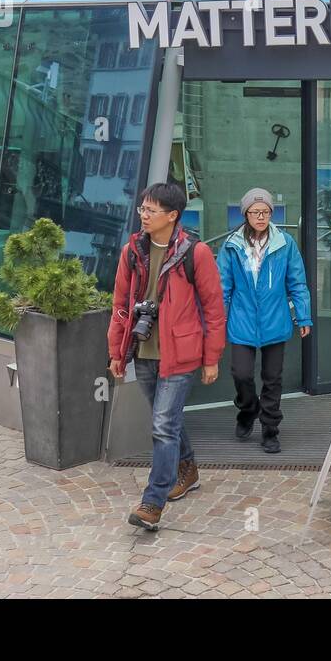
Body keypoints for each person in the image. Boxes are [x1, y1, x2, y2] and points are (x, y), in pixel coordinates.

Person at [108, 181, 226, 532]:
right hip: (143, 350)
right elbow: (119, 305)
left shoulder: (196, 253)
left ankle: (152, 503)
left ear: (172, 216)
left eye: (151, 210)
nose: (143, 215)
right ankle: (187, 468)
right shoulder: (132, 251)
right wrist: (116, 351)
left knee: (161, 425)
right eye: (142, 208)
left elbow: (214, 309)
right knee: (167, 420)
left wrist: (211, 357)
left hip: (182, 354)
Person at [218, 187, 312, 454]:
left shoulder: (285, 243)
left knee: (273, 378)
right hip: (241, 319)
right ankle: (248, 409)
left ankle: (270, 430)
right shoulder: (232, 245)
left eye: (266, 212)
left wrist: (303, 316)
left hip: (275, 319)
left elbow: (297, 282)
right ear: (245, 214)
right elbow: (222, 286)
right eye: (255, 212)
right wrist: (217, 321)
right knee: (241, 373)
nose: (261, 216)